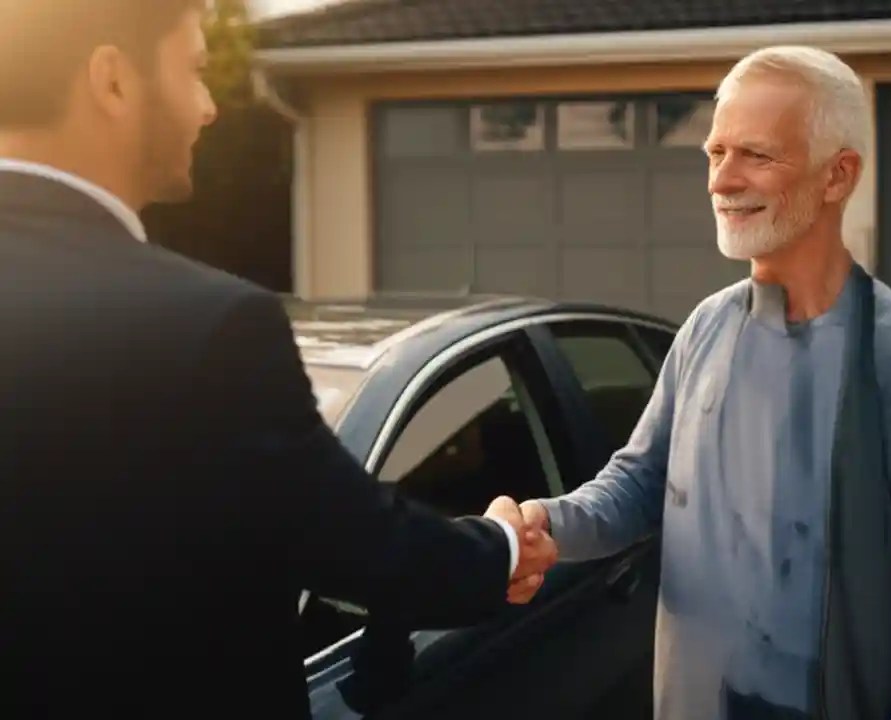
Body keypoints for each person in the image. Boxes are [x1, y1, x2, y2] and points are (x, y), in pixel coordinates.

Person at [0, 2, 555, 718]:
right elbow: (348, 539)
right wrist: (501, 549)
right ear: (112, 81)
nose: (206, 109)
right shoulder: (204, 325)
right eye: (194, 72)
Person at [501, 46, 891, 720]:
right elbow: (639, 486)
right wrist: (546, 524)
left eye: (756, 155)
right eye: (715, 153)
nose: (721, 181)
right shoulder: (705, 328)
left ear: (838, 176)